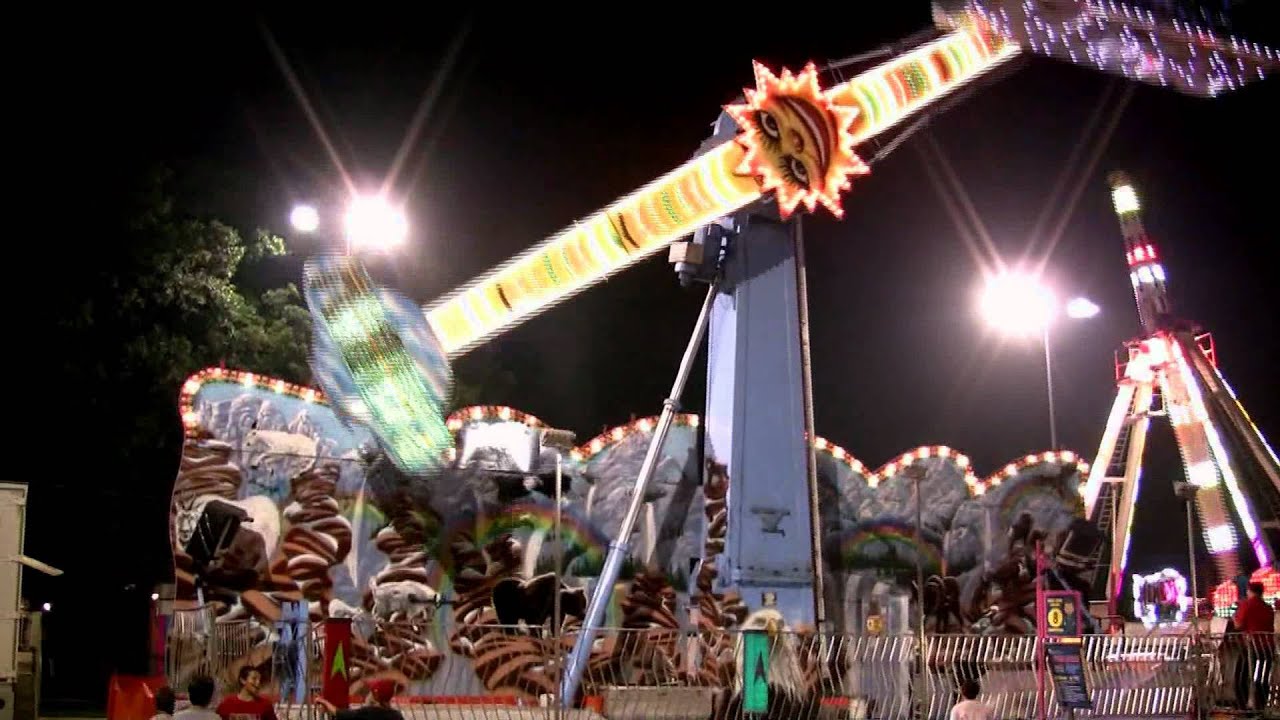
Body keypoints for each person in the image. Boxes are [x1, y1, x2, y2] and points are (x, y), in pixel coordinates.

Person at [1231, 582, 1276, 711]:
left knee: (1240, 678)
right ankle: (1261, 707)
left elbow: (1238, 625)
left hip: (1251, 647)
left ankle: (1242, 707)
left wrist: (1234, 616)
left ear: (1249, 591)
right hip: (1267, 647)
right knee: (1262, 679)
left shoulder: (1246, 605)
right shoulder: (1268, 608)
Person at [315, 679, 404, 720]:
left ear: (376, 695)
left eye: (371, 691)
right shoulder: (397, 716)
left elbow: (339, 713)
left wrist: (324, 702)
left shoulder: (369, 712)